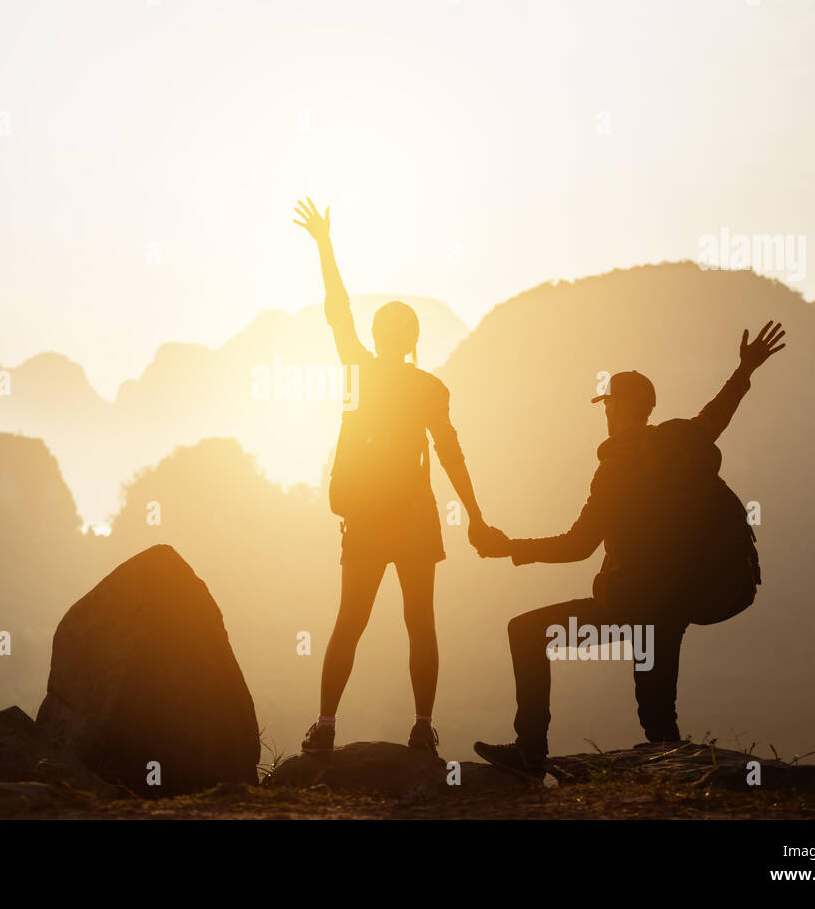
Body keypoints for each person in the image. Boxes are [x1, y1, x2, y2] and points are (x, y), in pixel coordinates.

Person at [472, 321, 788, 778]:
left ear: (617, 408)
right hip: (676, 602)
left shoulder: (615, 469)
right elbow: (716, 414)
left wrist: (510, 548)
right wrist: (745, 369)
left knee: (526, 632)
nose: (605, 414)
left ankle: (529, 751)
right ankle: (678, 790)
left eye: (608, 406)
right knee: (658, 720)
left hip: (630, 604)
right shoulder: (680, 442)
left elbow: (577, 546)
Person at [293, 198, 496, 755]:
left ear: (380, 336)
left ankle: (325, 728)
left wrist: (325, 245)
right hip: (413, 519)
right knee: (420, 623)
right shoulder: (429, 388)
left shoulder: (357, 369)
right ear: (413, 341)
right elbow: (451, 455)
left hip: (364, 517)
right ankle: (423, 728)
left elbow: (337, 309)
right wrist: (475, 517)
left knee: (348, 623)